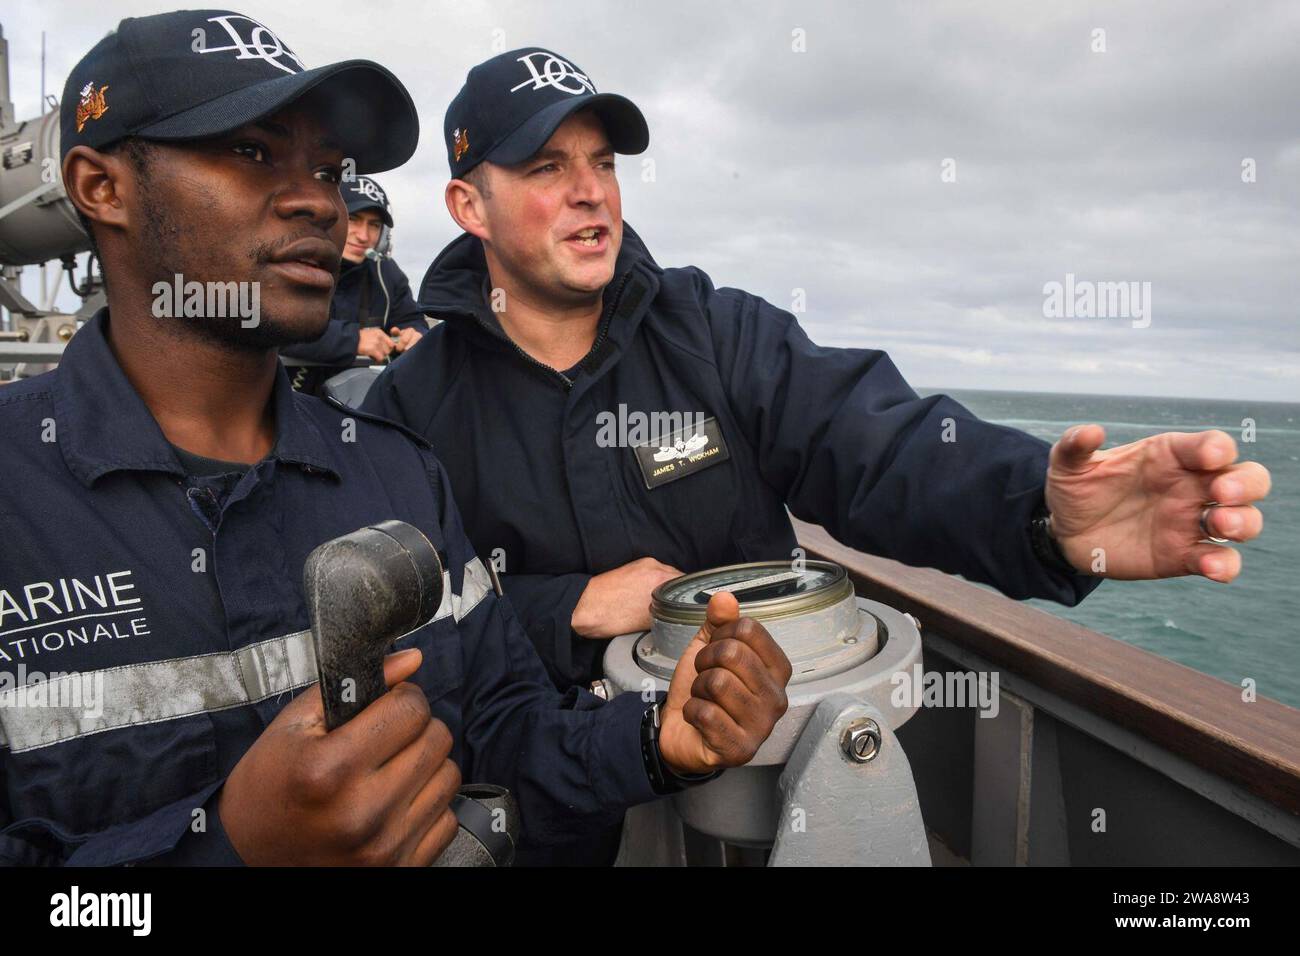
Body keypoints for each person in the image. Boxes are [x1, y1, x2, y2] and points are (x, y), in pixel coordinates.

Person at [0, 12, 790, 867]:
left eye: (330, 169)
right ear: (100, 187)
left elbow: (506, 731)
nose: (319, 200)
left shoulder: (396, 470)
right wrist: (229, 849)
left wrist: (656, 740)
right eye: (253, 152)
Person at [362, 47, 1272, 691]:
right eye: (547, 166)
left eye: (601, 161)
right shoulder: (412, 402)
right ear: (468, 205)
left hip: (750, 757)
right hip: (545, 797)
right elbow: (397, 627)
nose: (592, 188)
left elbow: (878, 445)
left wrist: (1041, 512)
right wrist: (564, 610)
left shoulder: (713, 329)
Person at [281, 175, 428, 394]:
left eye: (374, 225)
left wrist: (414, 335)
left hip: (355, 405)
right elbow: (269, 324)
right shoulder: (288, 261)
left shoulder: (386, 272)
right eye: (353, 219)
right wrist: (353, 340)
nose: (363, 235)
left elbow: (412, 319)